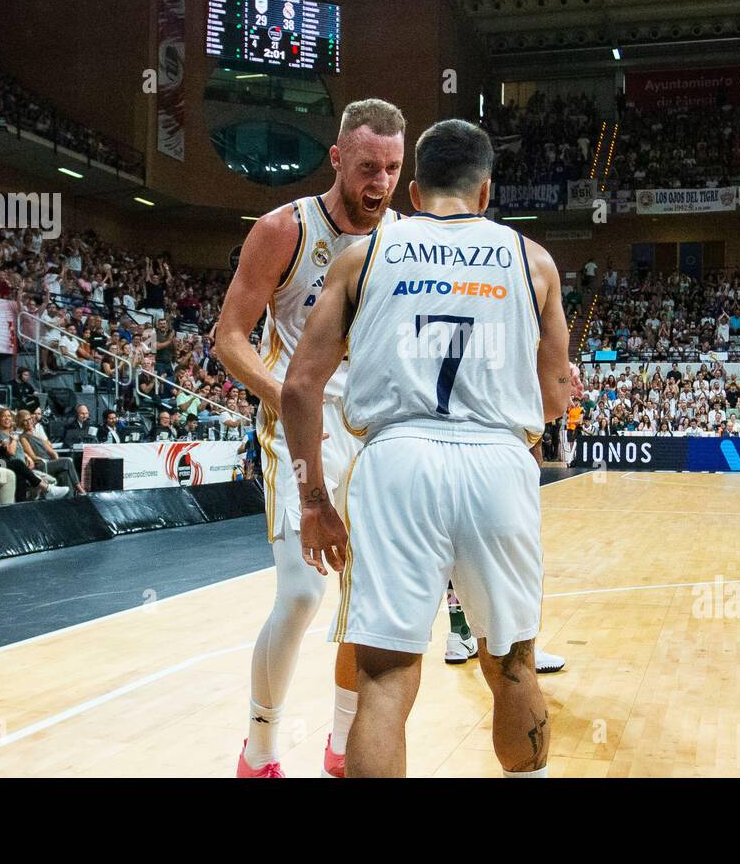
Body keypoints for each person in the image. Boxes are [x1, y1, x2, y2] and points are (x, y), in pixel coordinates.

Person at [283, 118, 571, 778]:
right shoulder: (533, 260)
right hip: (498, 462)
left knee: (384, 676)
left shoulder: (364, 255)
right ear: (486, 191)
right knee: (514, 662)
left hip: (396, 463)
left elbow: (300, 389)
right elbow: (555, 400)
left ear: (413, 190)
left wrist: (312, 500)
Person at [215, 98, 407, 779]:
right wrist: (288, 398)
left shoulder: (407, 241)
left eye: (391, 167)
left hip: (378, 438)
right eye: (365, 167)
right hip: (297, 429)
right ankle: (258, 753)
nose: (378, 182)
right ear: (336, 159)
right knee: (301, 594)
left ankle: (341, 744)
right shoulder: (283, 228)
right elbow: (228, 337)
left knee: (370, 605)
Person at [17, 409, 82, 494]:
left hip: (49, 462)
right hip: (41, 464)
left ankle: (68, 499)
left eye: (29, 419)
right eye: (25, 421)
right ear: (21, 423)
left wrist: (57, 461)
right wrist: (54, 462)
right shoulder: (23, 437)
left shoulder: (38, 435)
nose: (28, 422)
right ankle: (79, 489)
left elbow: (51, 452)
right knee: (68, 461)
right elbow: (33, 457)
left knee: (64, 472)